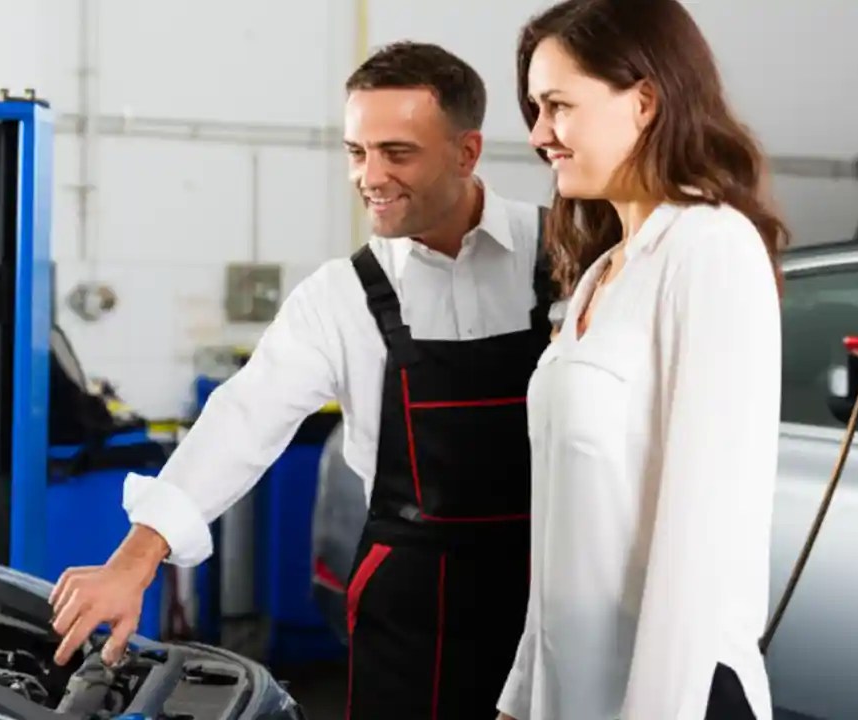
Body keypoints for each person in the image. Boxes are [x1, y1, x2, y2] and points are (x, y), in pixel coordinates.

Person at [50, 41, 556, 718]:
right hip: (410, 608)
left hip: (550, 592)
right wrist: (136, 559)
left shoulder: (566, 254)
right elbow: (243, 419)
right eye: (356, 151)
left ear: (466, 154)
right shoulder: (343, 296)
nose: (369, 175)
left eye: (396, 152)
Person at [495, 1, 788, 718]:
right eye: (535, 108)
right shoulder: (603, 273)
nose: (539, 134)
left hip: (672, 695)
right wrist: (520, 695)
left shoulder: (710, 250)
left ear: (646, 100)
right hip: (575, 693)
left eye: (558, 105)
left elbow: (700, 537)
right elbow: (562, 526)